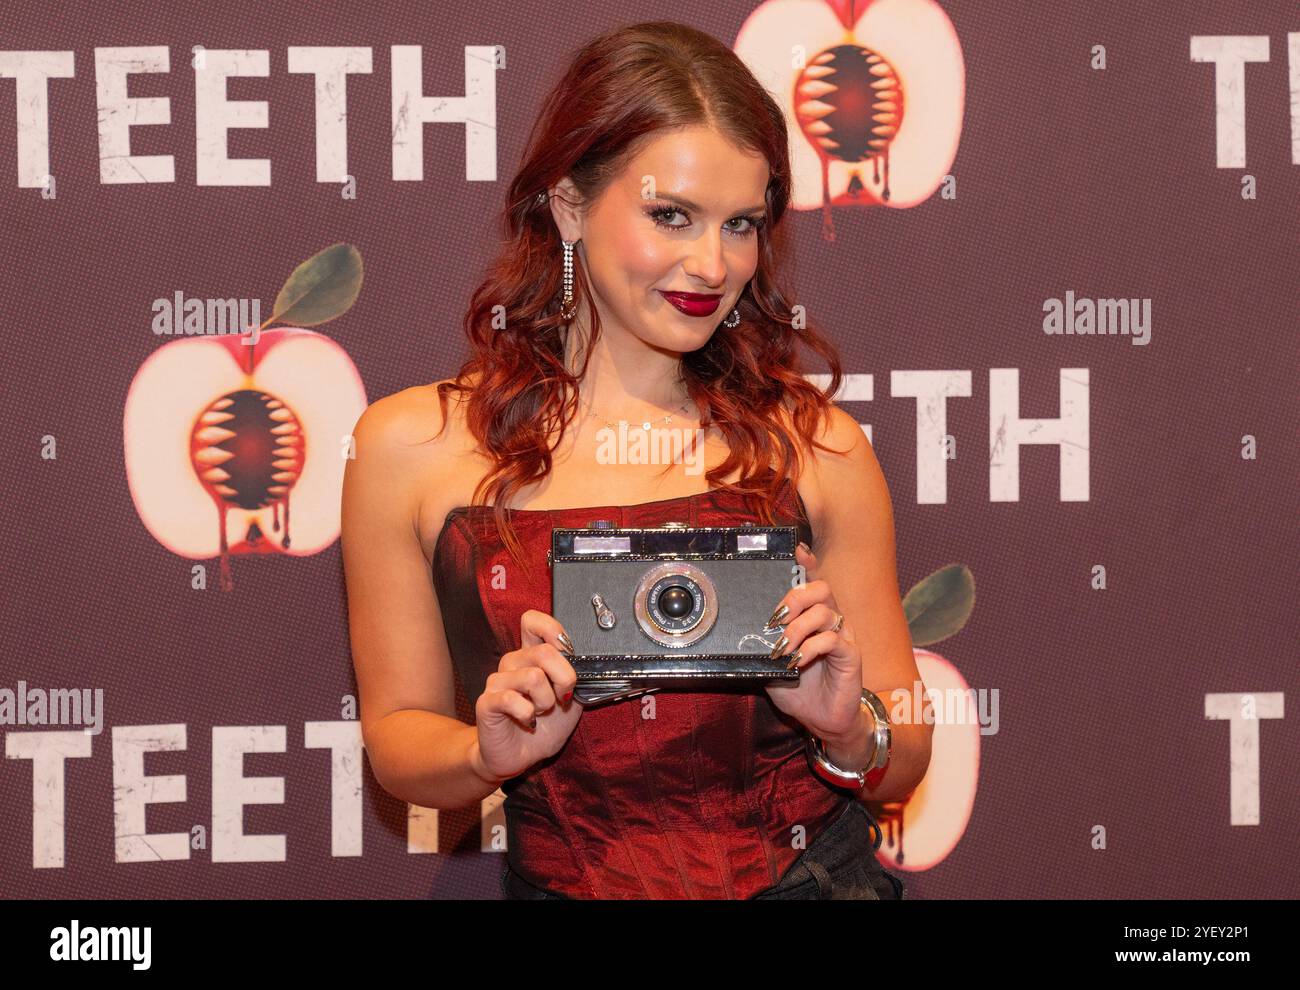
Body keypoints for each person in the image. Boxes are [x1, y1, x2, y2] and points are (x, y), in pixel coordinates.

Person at [341, 20, 931, 899]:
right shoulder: (408, 449)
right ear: (570, 205)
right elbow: (397, 740)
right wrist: (483, 751)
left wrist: (848, 729)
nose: (712, 263)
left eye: (742, 223)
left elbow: (906, 745)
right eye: (671, 216)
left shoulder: (818, 445)